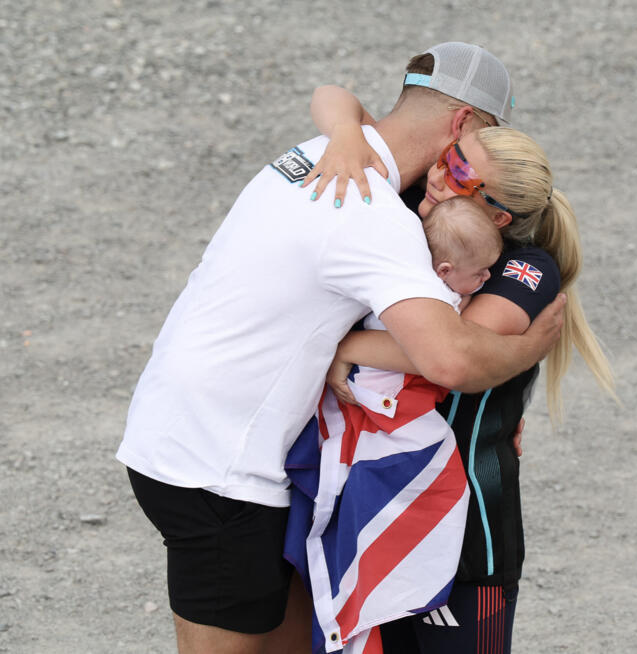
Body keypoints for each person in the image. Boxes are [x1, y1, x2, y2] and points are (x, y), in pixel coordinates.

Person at [116, 42, 566, 654]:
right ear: (461, 124)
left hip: (182, 432)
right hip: (222, 470)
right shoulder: (379, 217)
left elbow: (336, 98)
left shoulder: (314, 155)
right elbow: (452, 360)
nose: (449, 179)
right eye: (462, 158)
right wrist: (531, 348)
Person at [303, 83, 616, 654]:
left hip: (473, 529)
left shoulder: (526, 270)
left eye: (462, 176)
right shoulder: (416, 213)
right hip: (374, 507)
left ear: (499, 215)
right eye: (450, 157)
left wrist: (336, 346)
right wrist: (347, 135)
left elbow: (453, 354)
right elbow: (333, 95)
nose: (440, 175)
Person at [284, 196, 504, 653]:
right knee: (440, 479)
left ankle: (384, 591)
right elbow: (440, 358)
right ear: (443, 271)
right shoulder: (436, 301)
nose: (487, 279)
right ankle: (387, 591)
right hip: (384, 409)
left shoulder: (418, 285)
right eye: (480, 272)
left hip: (374, 400)